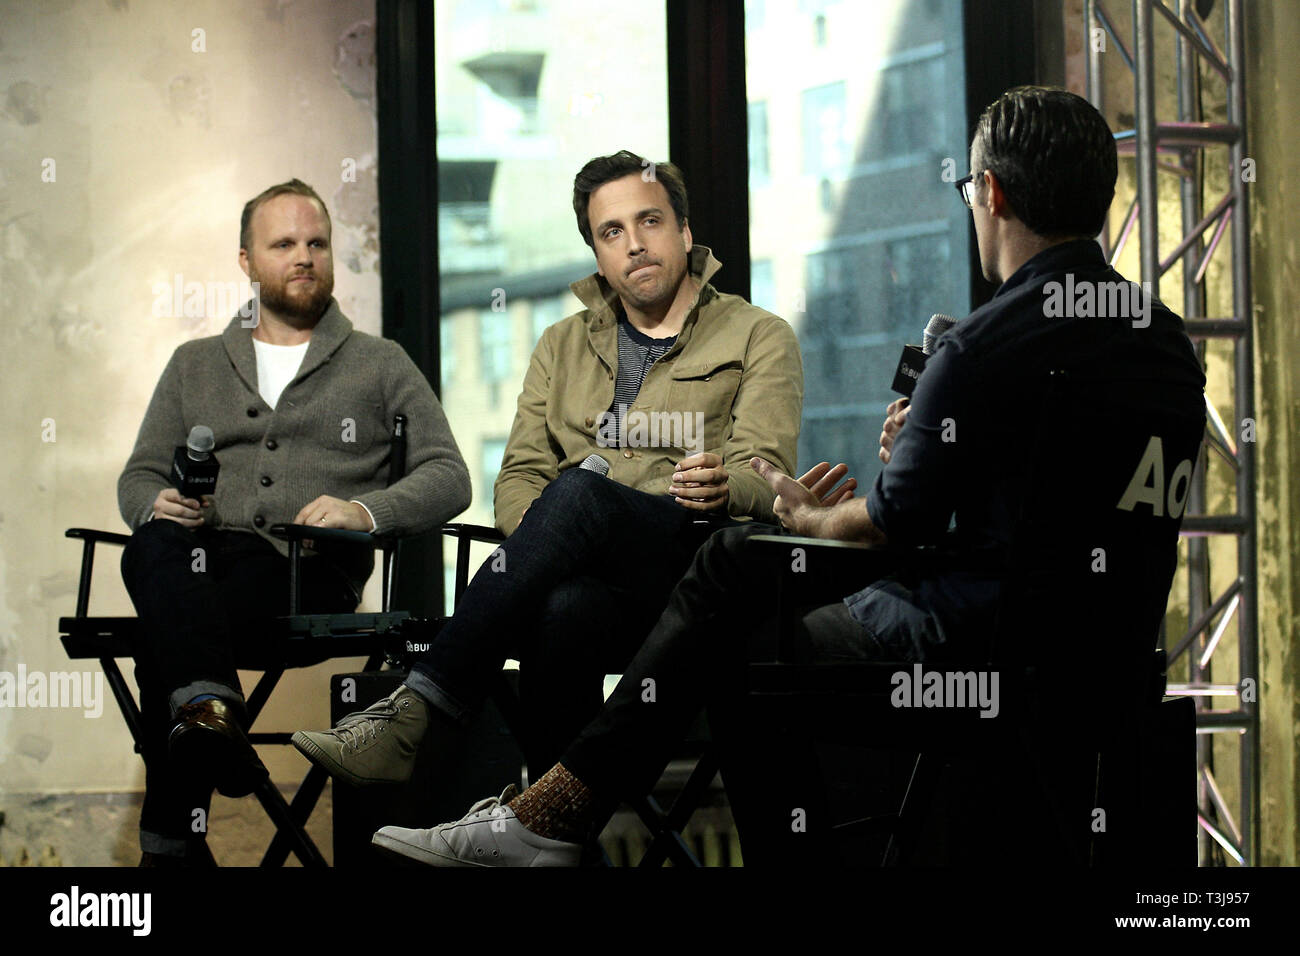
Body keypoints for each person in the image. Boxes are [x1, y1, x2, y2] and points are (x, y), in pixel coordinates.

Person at [367, 86, 1208, 867]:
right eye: (610, 231)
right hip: (1108, 662)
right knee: (684, 605)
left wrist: (809, 519)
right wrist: (934, 453)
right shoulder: (1168, 346)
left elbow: (887, 525)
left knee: (735, 598)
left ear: (990, 193)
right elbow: (1065, 507)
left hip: (972, 652)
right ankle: (555, 814)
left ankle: (561, 811)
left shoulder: (978, 348)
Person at [292, 150, 808, 795]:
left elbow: (769, 476)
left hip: (693, 567)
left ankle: (421, 705)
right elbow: (518, 478)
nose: (634, 244)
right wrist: (558, 540)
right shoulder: (560, 344)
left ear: (683, 230)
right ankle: (550, 826)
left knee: (580, 493)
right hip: (592, 583)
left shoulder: (759, 334)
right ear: (596, 252)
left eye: (649, 221)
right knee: (561, 608)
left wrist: (728, 485)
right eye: (611, 232)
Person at [117, 179, 472, 865]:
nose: (303, 256)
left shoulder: (380, 362)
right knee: (155, 544)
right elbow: (139, 476)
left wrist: (366, 510)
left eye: (317, 243)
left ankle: (173, 835)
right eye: (283, 244)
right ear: (247, 261)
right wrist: (154, 503)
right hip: (207, 572)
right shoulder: (193, 363)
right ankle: (212, 717)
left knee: (165, 626)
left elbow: (448, 475)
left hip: (312, 579)